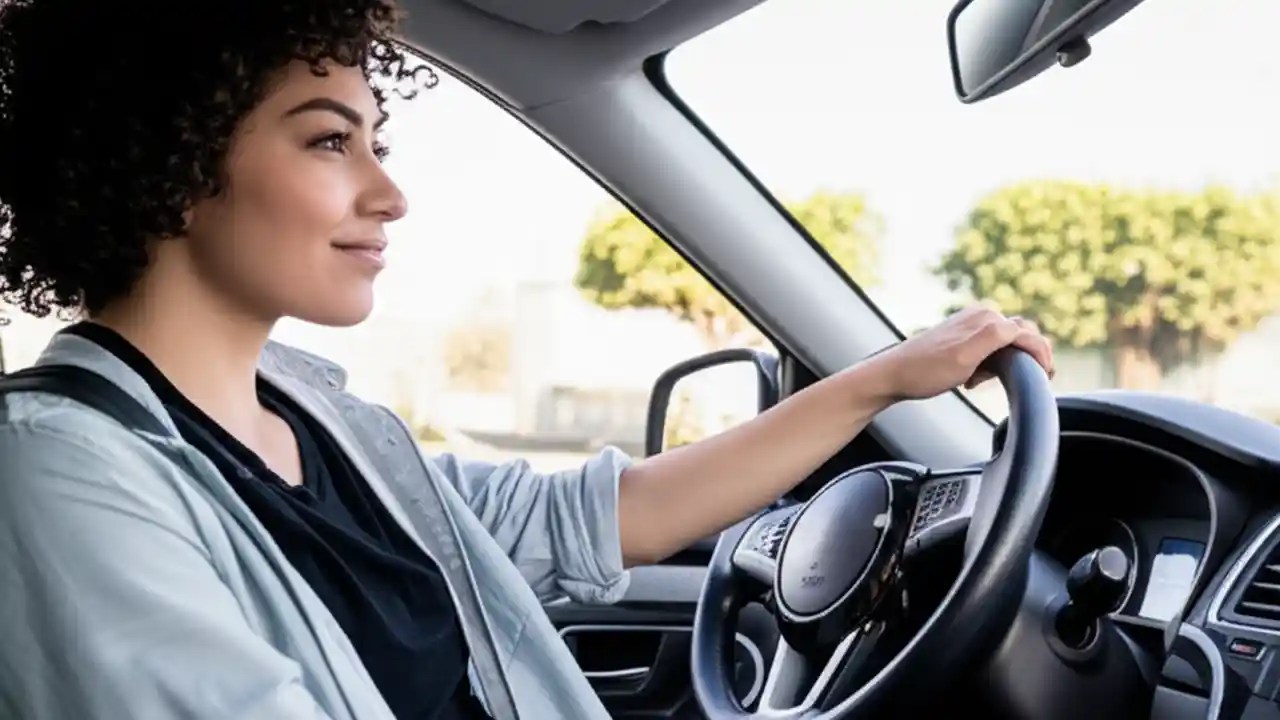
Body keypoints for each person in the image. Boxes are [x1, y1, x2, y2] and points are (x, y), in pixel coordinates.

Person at [0, 1, 1055, 718]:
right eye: (329, 141)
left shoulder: (324, 425)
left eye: (377, 141)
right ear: (171, 162)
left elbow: (600, 518)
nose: (388, 192)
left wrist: (879, 380)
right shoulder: (54, 468)